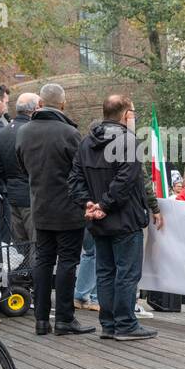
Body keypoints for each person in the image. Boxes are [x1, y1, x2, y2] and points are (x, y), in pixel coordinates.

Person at [68, 95, 154, 341]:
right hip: (124, 219)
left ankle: (108, 324)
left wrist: (88, 203)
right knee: (126, 273)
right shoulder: (129, 141)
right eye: (134, 112)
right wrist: (103, 205)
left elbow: (74, 179)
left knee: (105, 272)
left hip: (97, 219)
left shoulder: (86, 143)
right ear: (126, 114)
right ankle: (125, 324)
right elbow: (126, 180)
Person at [16, 83, 90, 335]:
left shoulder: (24, 132)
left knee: (43, 260)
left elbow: (23, 167)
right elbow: (81, 171)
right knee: (68, 261)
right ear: (62, 103)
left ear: (39, 104)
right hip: (69, 209)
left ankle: (41, 319)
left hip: (40, 206)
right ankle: (65, 319)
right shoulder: (69, 133)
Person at [0, 92, 39, 271]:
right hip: (31, 195)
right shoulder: (33, 132)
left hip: (12, 196)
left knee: (21, 245)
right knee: (36, 244)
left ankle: (24, 282)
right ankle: (38, 287)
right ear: (35, 109)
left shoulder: (2, 133)